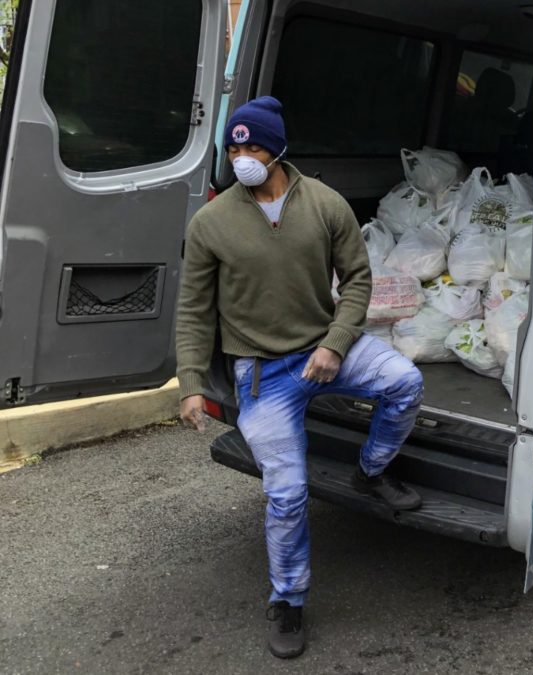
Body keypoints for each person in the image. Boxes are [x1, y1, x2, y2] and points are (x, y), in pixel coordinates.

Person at [176, 96, 424, 659]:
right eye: (232, 149)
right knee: (286, 496)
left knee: (404, 381)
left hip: (325, 349)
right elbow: (193, 310)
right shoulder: (211, 222)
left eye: (252, 148)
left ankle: (370, 472)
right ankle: (288, 600)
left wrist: (336, 344)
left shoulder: (325, 204)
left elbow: (357, 280)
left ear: (277, 149)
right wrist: (190, 382)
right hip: (262, 372)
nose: (241, 159)